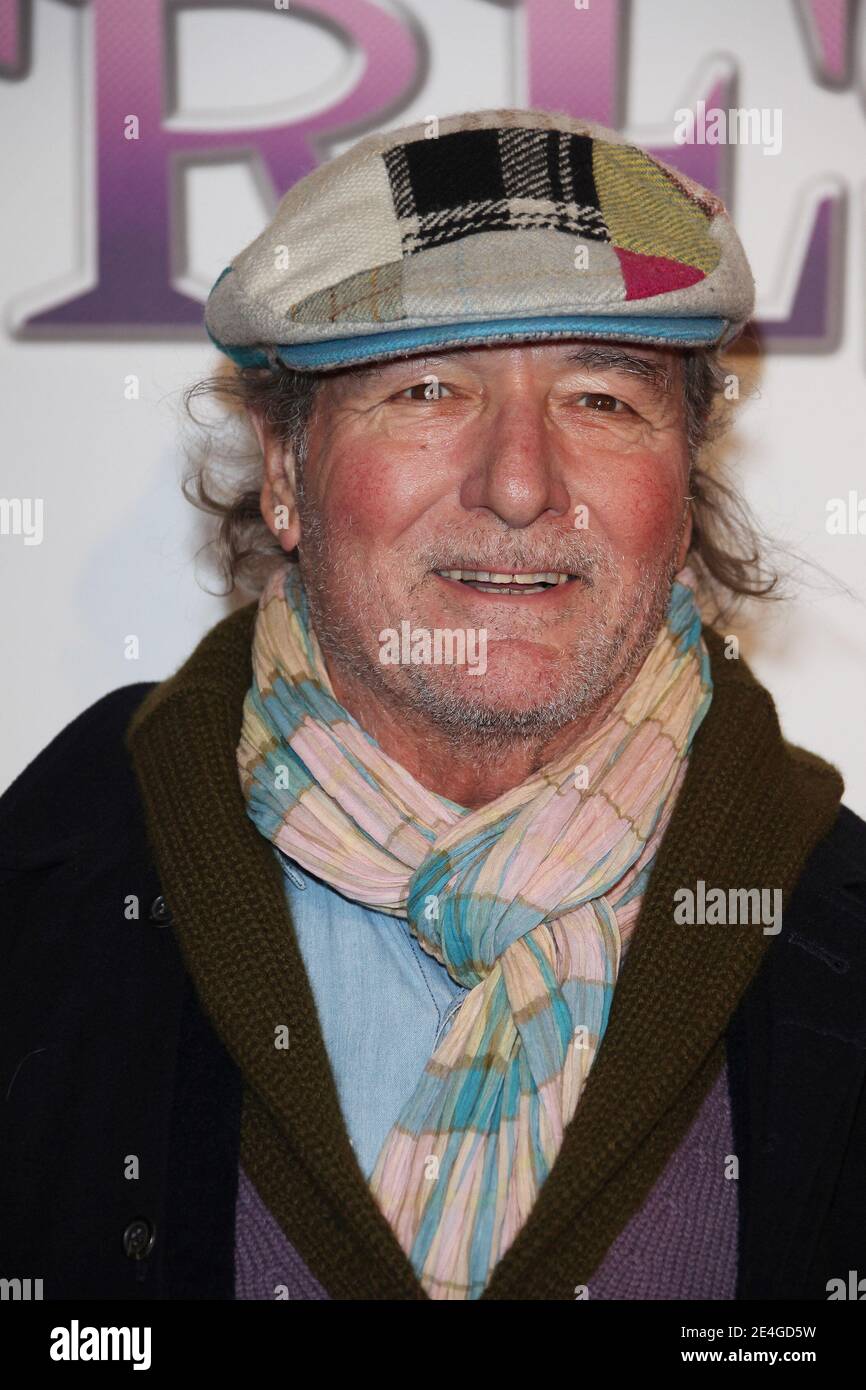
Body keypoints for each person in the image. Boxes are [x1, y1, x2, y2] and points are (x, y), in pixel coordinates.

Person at [2, 107, 864, 1302]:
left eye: (601, 400)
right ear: (288, 473)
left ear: (681, 485)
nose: (518, 484)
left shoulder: (834, 934)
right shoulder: (51, 893)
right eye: (424, 389)